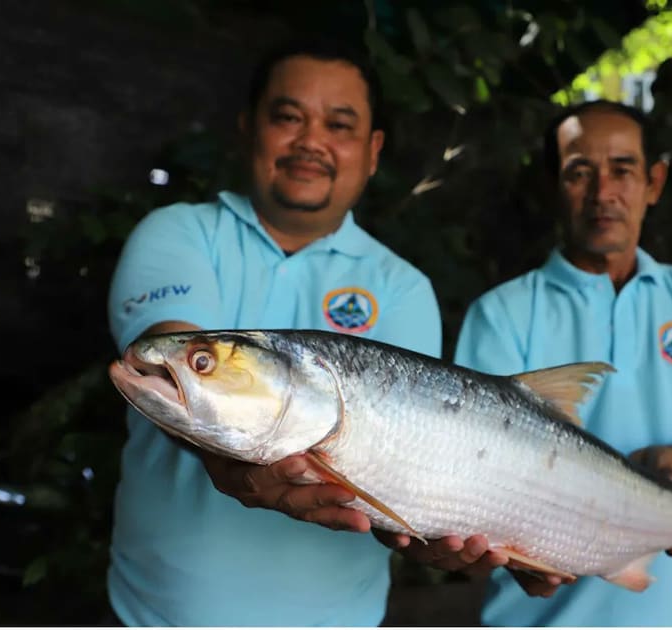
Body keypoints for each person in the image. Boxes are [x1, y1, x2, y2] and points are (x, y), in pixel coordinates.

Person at [104, 38, 448, 626]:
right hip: (154, 615)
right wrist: (229, 455)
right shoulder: (179, 232)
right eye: (288, 117)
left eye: (339, 125)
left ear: (372, 151)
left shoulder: (404, 288)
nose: (311, 141)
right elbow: (172, 355)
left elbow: (399, 463)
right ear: (248, 129)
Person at [450, 100, 672, 626]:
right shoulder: (501, 311)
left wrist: (668, 459)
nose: (603, 193)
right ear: (554, 186)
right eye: (580, 172)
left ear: (654, 182)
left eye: (622, 170)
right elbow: (474, 474)